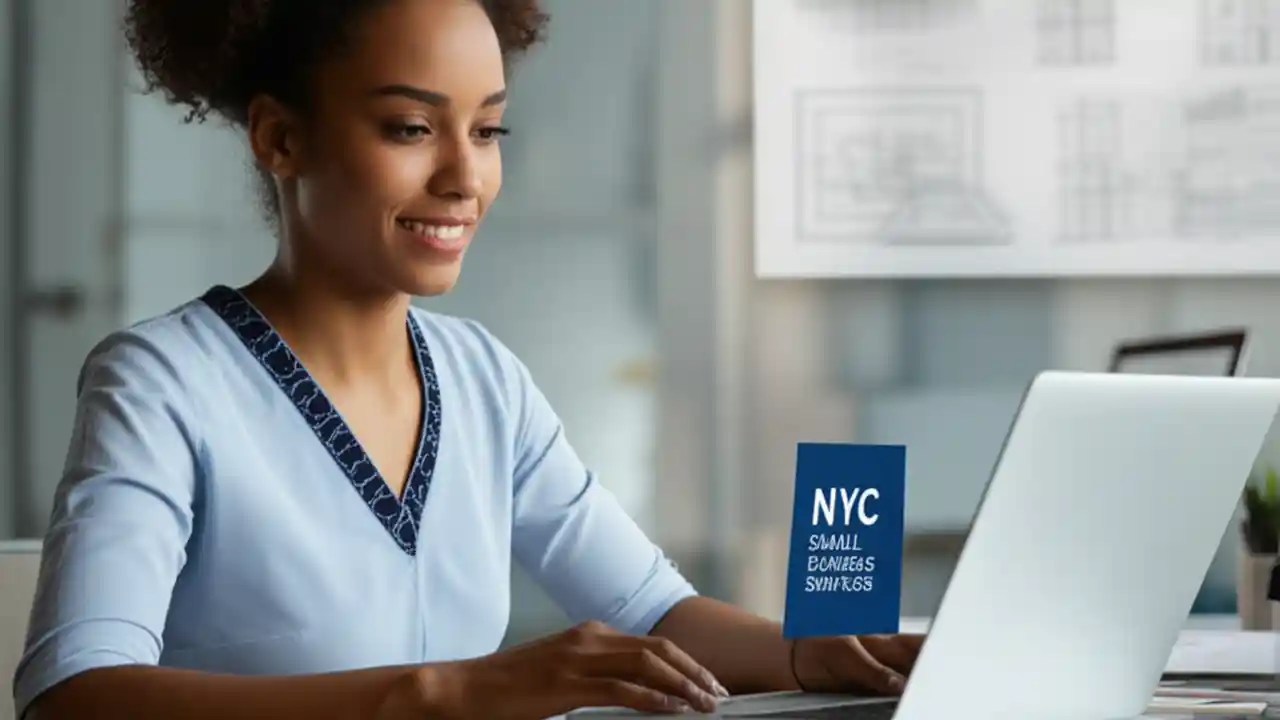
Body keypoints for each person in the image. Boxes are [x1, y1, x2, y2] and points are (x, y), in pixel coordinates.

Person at [11, 1, 923, 718]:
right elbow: (79, 694)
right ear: (279, 138)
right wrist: (448, 693)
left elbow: (654, 610)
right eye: (412, 128)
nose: (465, 177)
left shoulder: (482, 379)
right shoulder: (162, 381)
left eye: (488, 131)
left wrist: (810, 650)